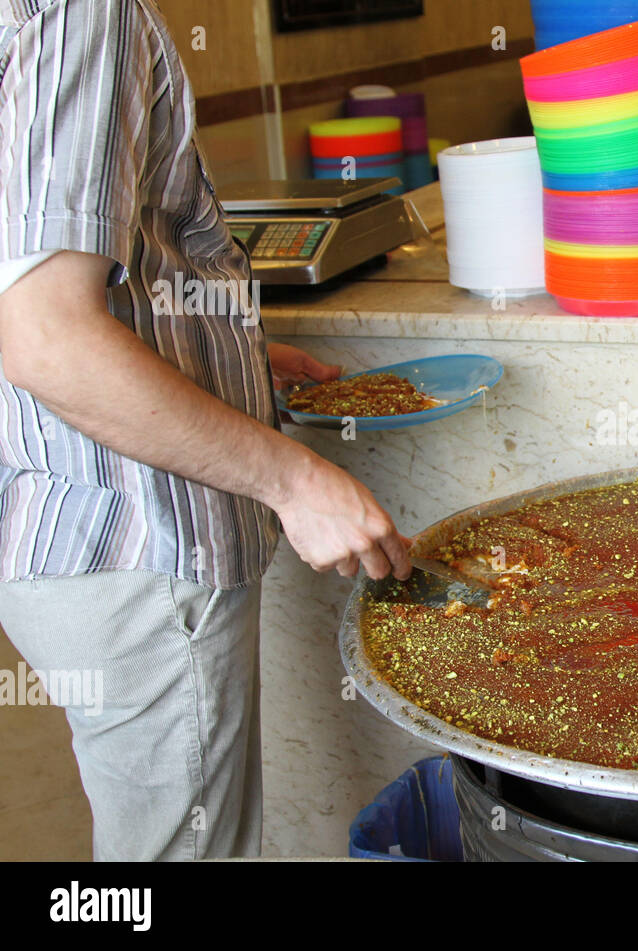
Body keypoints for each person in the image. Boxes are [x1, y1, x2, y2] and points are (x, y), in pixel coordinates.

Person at [0, 0, 412, 860]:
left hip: (63, 525)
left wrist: (225, 354)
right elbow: (46, 336)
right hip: (139, 543)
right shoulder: (84, 12)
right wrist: (296, 480)